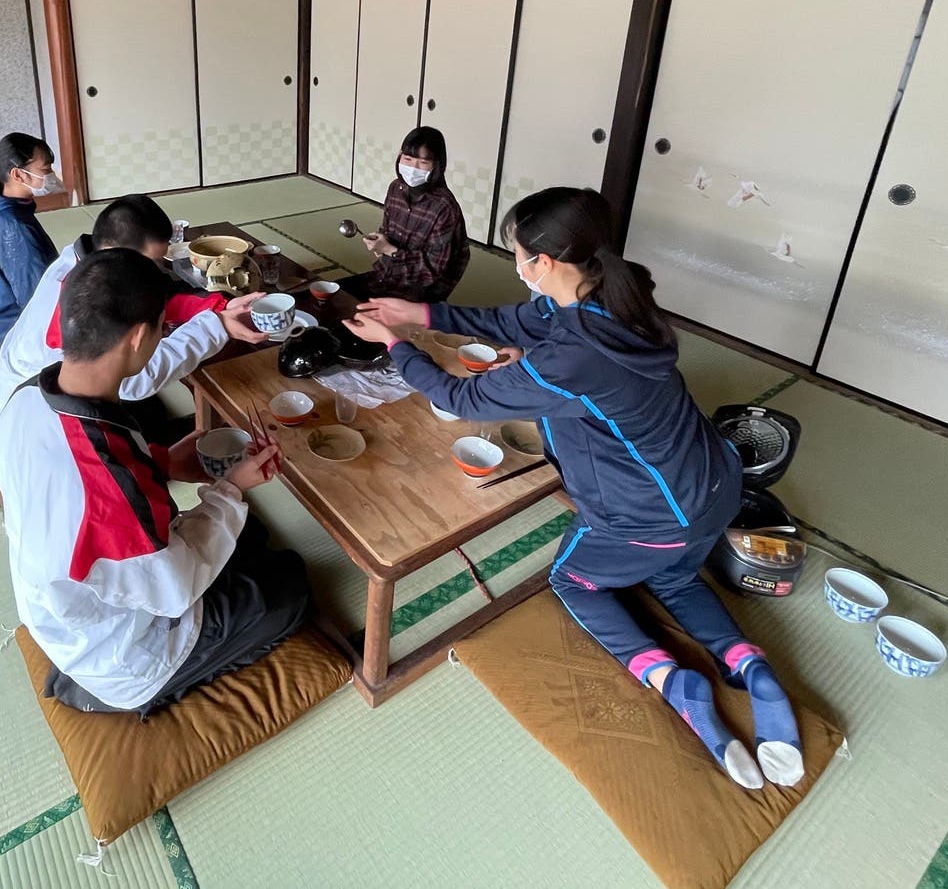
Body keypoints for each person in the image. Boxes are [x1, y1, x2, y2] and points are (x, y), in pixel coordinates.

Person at [344, 186, 804, 790]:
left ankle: (672, 681)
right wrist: (420, 314)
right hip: (713, 486)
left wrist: (396, 345)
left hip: (651, 514)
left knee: (573, 578)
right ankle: (748, 664)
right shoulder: (617, 298)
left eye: (517, 255)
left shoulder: (572, 356)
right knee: (671, 576)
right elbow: (512, 320)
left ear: (545, 263)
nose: (516, 266)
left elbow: (458, 395)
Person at [0, 247, 311, 715]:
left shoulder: (29, 396)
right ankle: (121, 694)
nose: (166, 333)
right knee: (290, 589)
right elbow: (174, 588)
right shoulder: (109, 487)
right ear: (141, 336)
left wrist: (161, 462)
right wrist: (232, 487)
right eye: (164, 326)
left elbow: (88, 461)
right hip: (125, 650)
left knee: (249, 536)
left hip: (65, 602)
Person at [0, 195, 265, 484]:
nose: (158, 269)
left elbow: (156, 296)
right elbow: (136, 378)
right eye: (153, 261)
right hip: (32, 423)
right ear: (117, 251)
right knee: (143, 420)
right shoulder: (73, 302)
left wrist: (218, 306)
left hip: (45, 395)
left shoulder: (88, 261)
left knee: (152, 414)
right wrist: (215, 328)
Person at [0, 133, 60, 369]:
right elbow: (36, 298)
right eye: (45, 168)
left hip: (8, 320)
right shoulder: (13, 227)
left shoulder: (8, 208)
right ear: (18, 174)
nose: (51, 175)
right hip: (18, 332)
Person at [341, 126, 470, 303]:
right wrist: (379, 242)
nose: (413, 168)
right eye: (407, 159)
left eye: (423, 163)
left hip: (419, 293)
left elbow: (433, 269)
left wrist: (389, 250)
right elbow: (387, 230)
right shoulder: (396, 188)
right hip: (387, 275)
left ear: (437, 165)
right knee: (331, 296)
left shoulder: (444, 208)